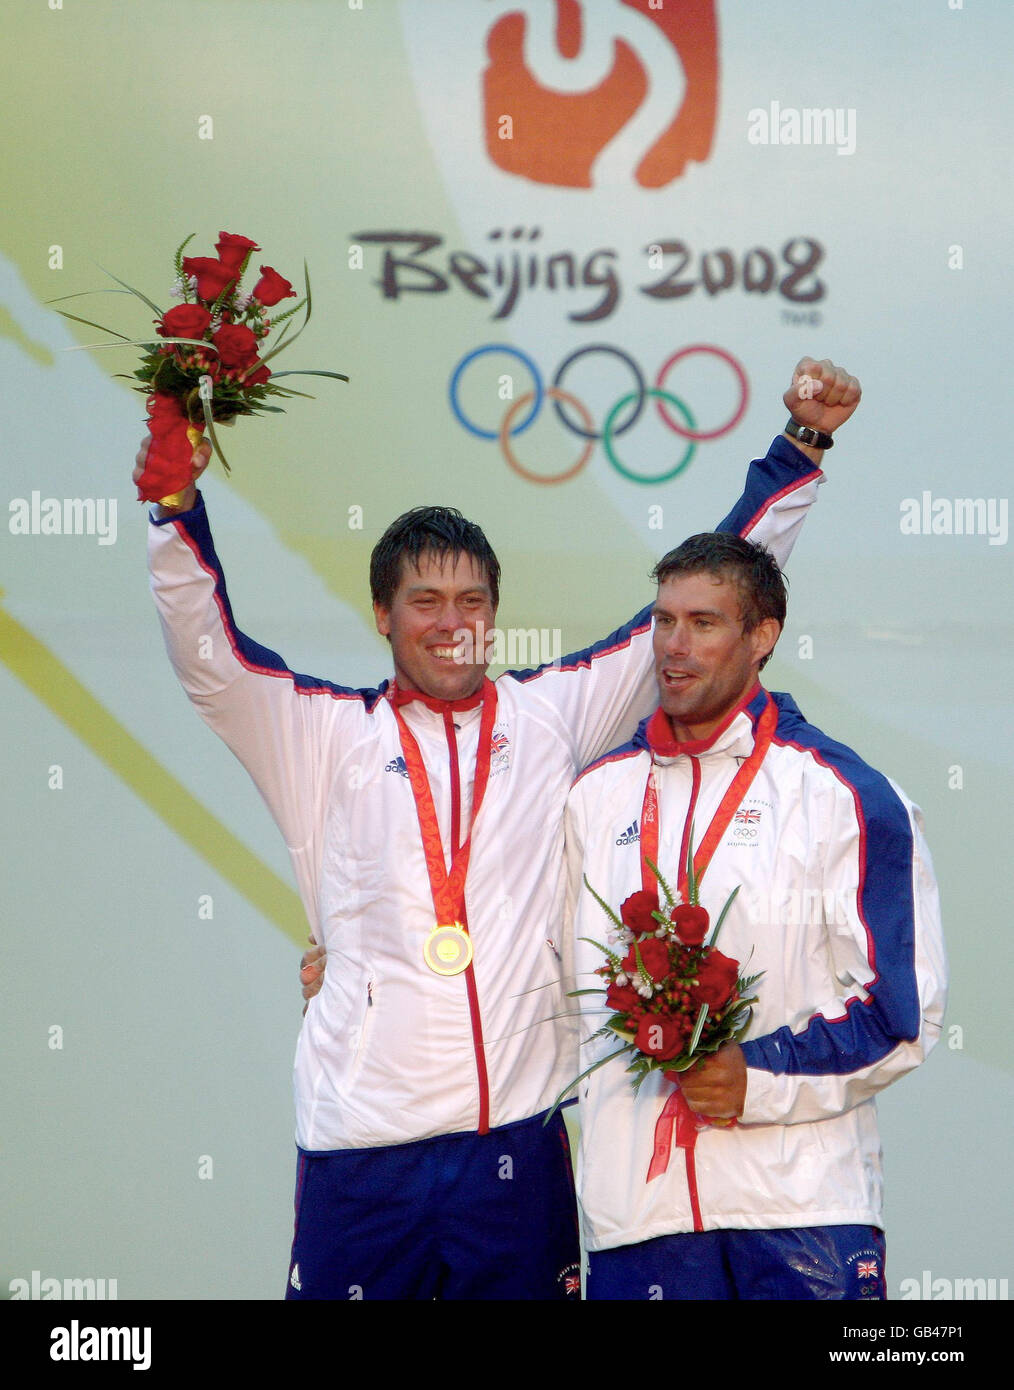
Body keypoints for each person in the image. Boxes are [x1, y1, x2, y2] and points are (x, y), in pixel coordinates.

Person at [138, 358, 860, 1300]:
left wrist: (800, 445)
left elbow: (707, 597)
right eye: (426, 603)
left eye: (472, 603)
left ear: (494, 615)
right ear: (382, 615)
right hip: (364, 1154)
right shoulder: (315, 733)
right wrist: (173, 509)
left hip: (515, 1149)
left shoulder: (550, 714)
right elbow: (209, 653)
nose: (452, 625)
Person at [563, 531, 946, 1300]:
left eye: (703, 623)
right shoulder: (596, 796)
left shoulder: (846, 796)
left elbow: (903, 1013)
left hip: (803, 1210)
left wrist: (757, 1077)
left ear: (761, 637)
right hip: (638, 1217)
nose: (674, 645)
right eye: (664, 621)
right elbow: (551, 982)